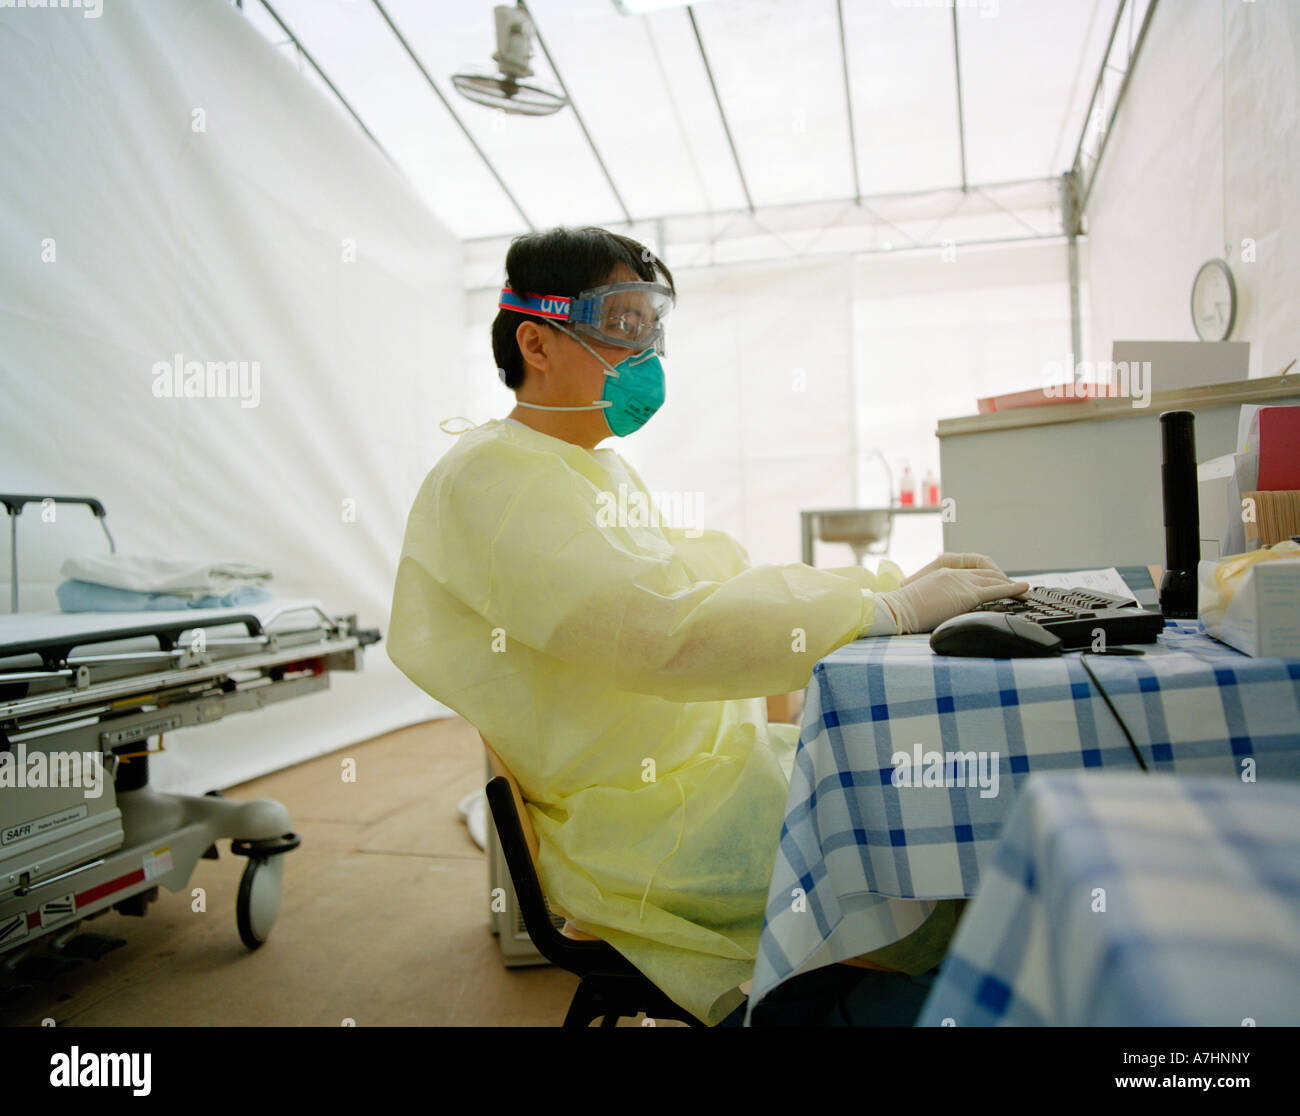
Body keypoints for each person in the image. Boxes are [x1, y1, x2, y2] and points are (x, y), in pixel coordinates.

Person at [387, 225, 1028, 1026]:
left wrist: (889, 580)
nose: (647, 352)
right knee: (928, 845)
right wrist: (885, 610)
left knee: (929, 799)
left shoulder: (584, 470)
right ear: (535, 340)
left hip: (699, 776)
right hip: (647, 819)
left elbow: (708, 584)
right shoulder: (494, 482)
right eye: (622, 323)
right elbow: (667, 634)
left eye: (653, 326)